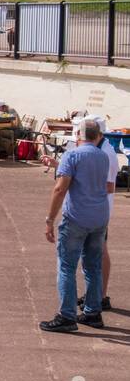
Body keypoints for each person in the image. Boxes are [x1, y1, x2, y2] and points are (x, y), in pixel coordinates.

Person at [42, 118, 112, 331]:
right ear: (97, 136)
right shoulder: (103, 156)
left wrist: (49, 219)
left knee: (66, 266)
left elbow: (60, 189)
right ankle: (92, 312)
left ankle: (67, 315)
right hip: (99, 217)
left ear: (78, 135)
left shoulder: (72, 155)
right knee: (92, 266)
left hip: (77, 217)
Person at [80, 119, 119, 314]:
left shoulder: (107, 153)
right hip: (95, 208)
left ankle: (101, 296)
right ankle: (95, 294)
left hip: (99, 210)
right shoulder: (101, 149)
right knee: (93, 253)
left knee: (99, 252)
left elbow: (110, 186)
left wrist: (80, 184)